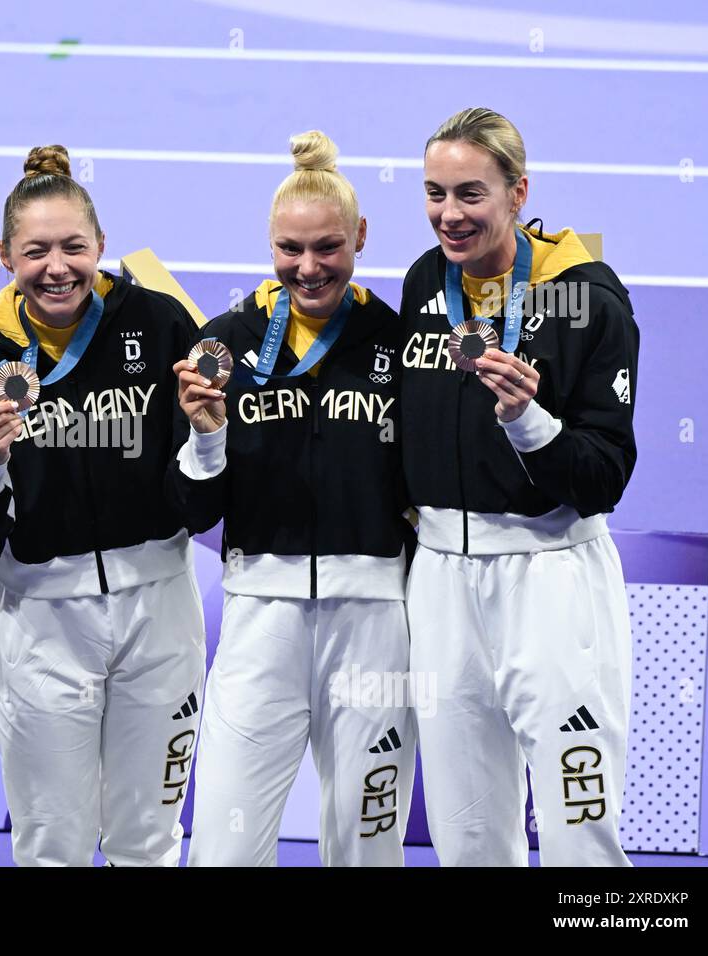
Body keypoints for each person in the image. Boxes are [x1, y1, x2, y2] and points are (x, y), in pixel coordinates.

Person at [0, 145, 206, 867]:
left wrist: (210, 436)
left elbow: (201, 501)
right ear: (3, 255)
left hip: (159, 611)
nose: (56, 267)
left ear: (101, 246)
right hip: (43, 622)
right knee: (51, 842)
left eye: (73, 247)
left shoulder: (159, 325)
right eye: (36, 251)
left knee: (147, 839)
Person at [401, 107, 639, 866]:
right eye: (435, 193)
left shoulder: (589, 300)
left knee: (579, 827)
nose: (450, 214)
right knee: (467, 831)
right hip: (440, 581)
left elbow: (605, 475)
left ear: (517, 192)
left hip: (551, 575)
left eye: (470, 194)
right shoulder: (422, 282)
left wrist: (528, 419)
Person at [174, 131, 415, 867]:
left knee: (369, 846)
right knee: (224, 844)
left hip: (375, 621)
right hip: (259, 619)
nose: (308, 268)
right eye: (289, 249)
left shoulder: (398, 342)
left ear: (362, 238)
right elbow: (192, 511)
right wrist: (206, 439)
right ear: (270, 244)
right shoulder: (223, 345)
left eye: (328, 248)